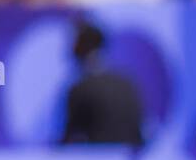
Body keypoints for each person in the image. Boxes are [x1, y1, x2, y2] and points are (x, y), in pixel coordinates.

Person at [60, 20, 144, 148]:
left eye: (73, 45)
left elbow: (67, 142)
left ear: (79, 49)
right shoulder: (126, 83)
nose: (69, 51)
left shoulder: (80, 90)